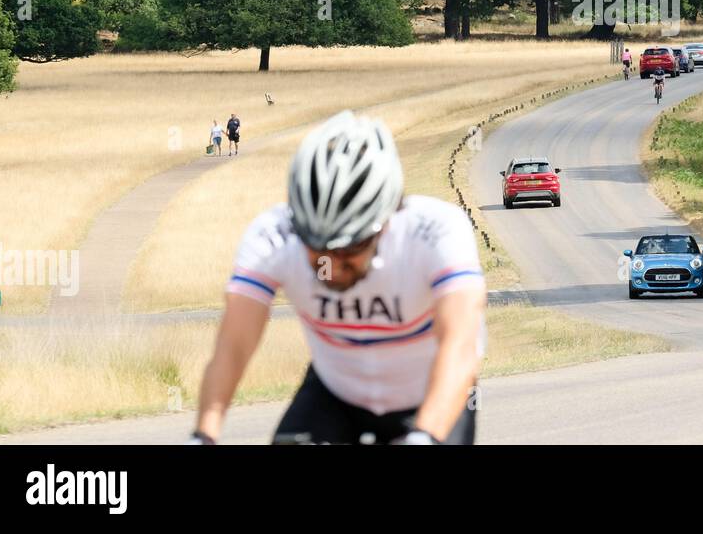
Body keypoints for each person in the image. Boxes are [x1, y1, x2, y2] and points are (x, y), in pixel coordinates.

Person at [189, 110, 486, 445]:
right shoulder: (273, 237)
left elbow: (460, 345)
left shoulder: (437, 231)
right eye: (317, 249)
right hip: (336, 391)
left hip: (430, 391)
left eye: (348, 251)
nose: (331, 264)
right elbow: (234, 346)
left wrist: (425, 436)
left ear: (386, 223)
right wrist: (204, 435)